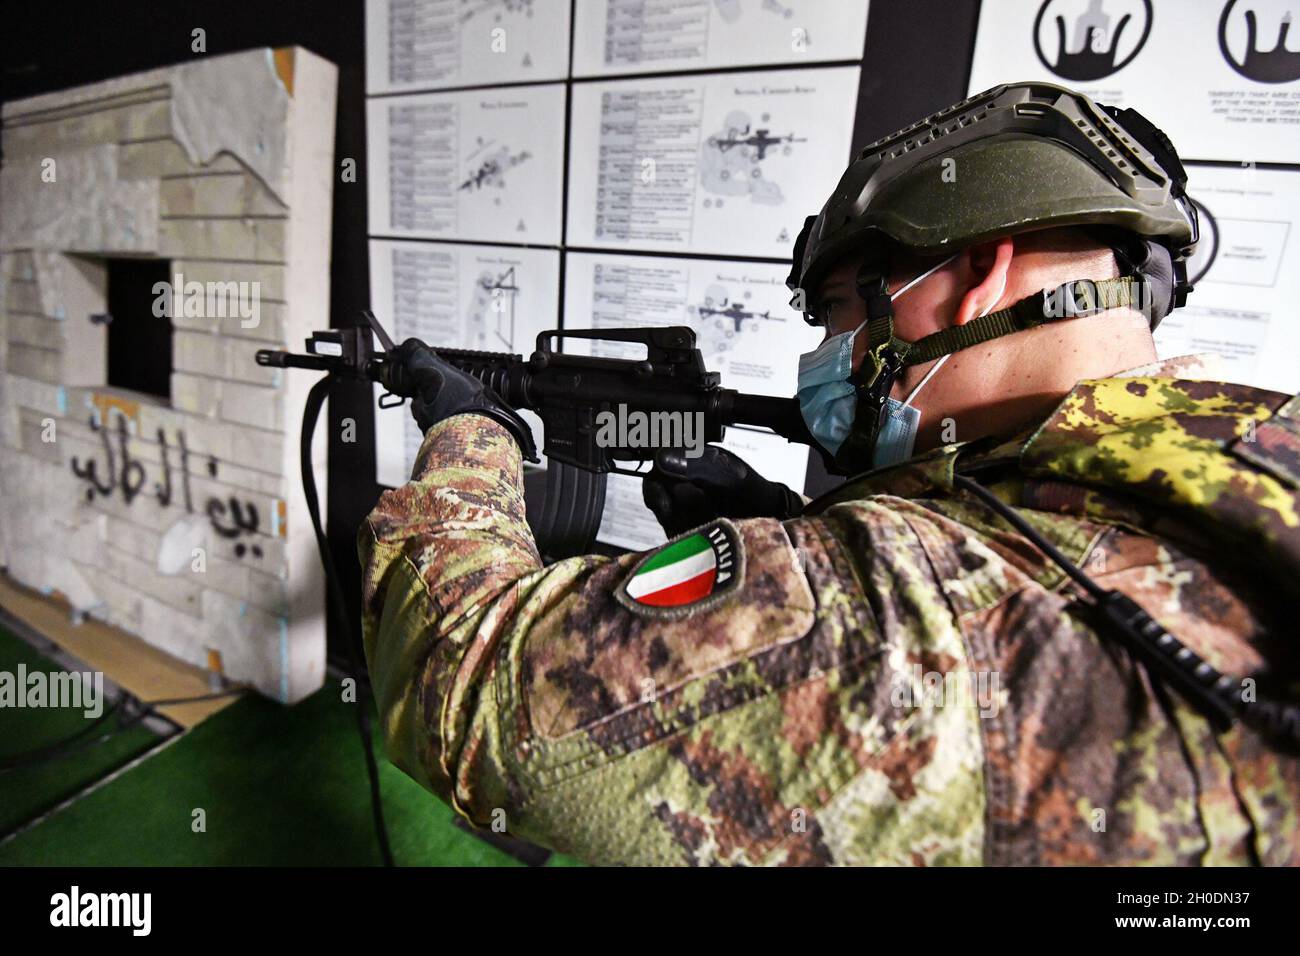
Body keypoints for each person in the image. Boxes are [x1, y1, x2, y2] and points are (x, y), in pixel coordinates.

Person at [359, 82, 1300, 865]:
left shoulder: (917, 603)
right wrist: (787, 521)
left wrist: (470, 436)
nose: (828, 350)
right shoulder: (1244, 448)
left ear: (979, 269)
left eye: (842, 311)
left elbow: (464, 683)